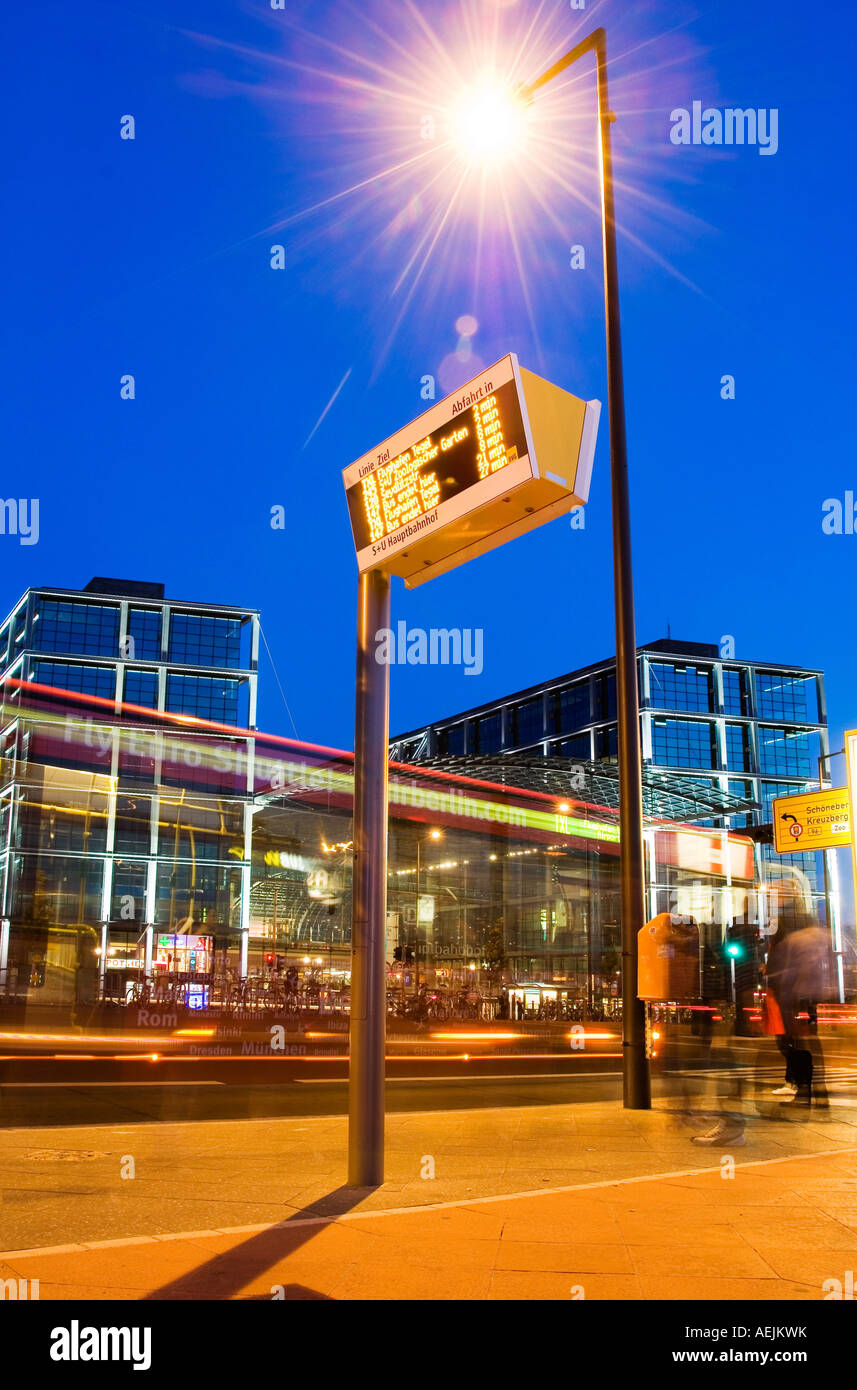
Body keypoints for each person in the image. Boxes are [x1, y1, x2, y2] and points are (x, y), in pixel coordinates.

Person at [765, 907, 835, 1105]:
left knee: (792, 1043)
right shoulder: (818, 939)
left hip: (793, 997)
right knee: (805, 1043)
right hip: (807, 996)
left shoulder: (792, 942)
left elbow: (788, 971)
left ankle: (801, 1086)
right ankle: (812, 1088)